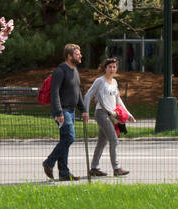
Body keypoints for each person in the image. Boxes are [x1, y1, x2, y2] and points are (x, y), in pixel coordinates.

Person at [82, 58, 130, 177]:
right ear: (105, 68)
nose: (112, 69)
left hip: (111, 115)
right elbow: (88, 95)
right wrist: (86, 112)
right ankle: (116, 168)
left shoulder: (114, 82)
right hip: (101, 113)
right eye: (110, 67)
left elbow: (118, 100)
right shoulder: (100, 81)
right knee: (114, 139)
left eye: (114, 67)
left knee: (102, 142)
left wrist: (128, 114)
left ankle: (94, 168)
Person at [42, 43, 82, 181]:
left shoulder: (75, 70)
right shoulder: (60, 71)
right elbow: (55, 93)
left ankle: (64, 173)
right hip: (62, 110)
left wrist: (83, 110)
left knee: (65, 140)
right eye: (77, 54)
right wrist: (59, 112)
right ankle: (49, 162)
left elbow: (77, 91)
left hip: (71, 110)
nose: (80, 55)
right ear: (69, 56)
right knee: (70, 138)